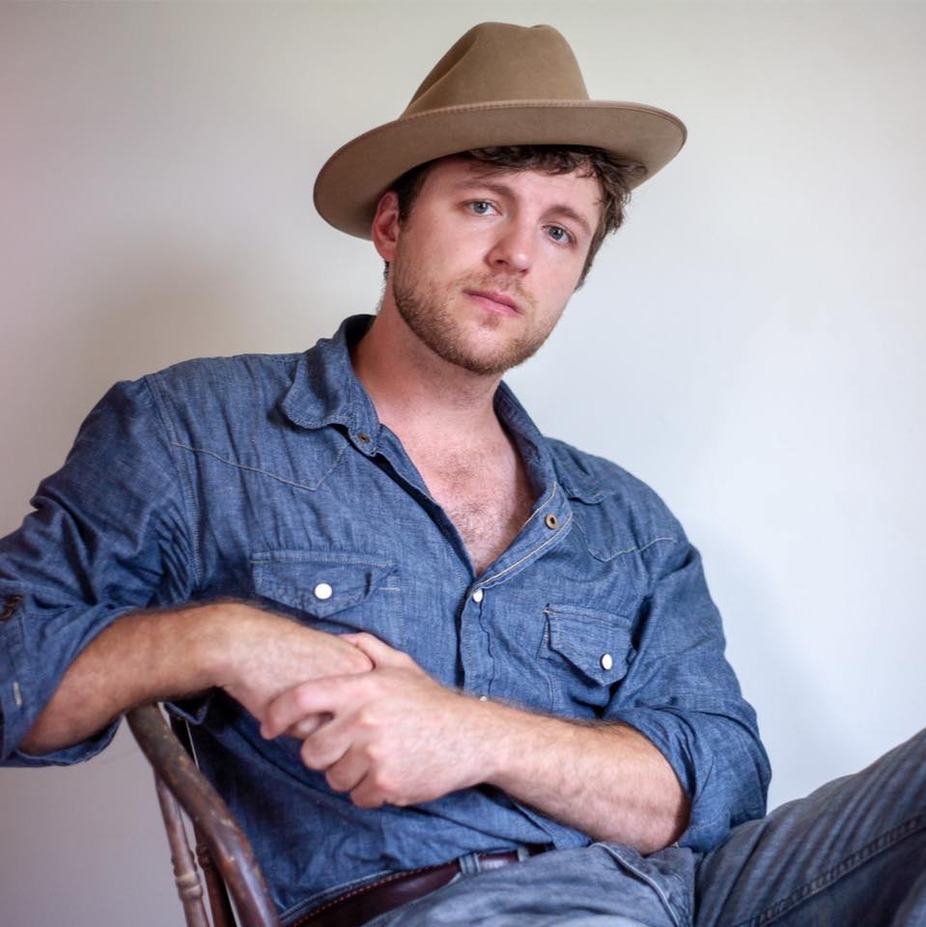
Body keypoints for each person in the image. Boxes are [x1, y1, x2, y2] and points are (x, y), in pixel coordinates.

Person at [0, 21, 923, 927]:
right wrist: (220, 637)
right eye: (484, 203)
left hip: (691, 897)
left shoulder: (629, 522)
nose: (517, 253)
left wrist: (469, 733)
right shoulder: (195, 431)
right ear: (392, 223)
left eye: (560, 230)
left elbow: (719, 788)